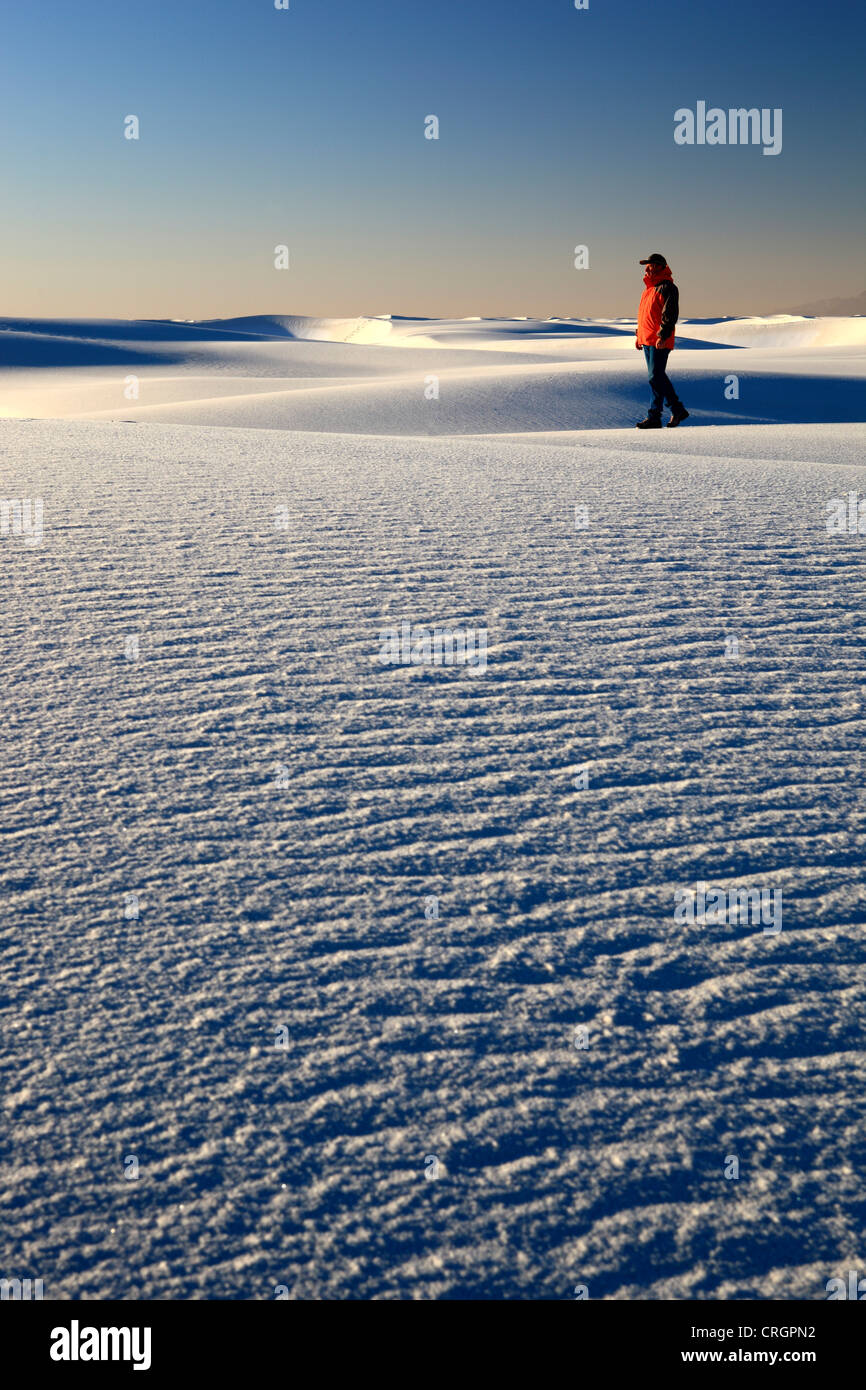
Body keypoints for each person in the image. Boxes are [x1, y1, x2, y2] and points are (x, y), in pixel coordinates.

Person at [634, 254, 689, 428]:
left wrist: (663, 335)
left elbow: (670, 315)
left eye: (649, 265)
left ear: (659, 266)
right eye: (646, 266)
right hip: (647, 339)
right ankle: (656, 417)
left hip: (659, 339)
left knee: (655, 376)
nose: (647, 269)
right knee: (656, 378)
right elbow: (644, 316)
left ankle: (673, 410)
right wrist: (639, 336)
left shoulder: (668, 287)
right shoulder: (648, 289)